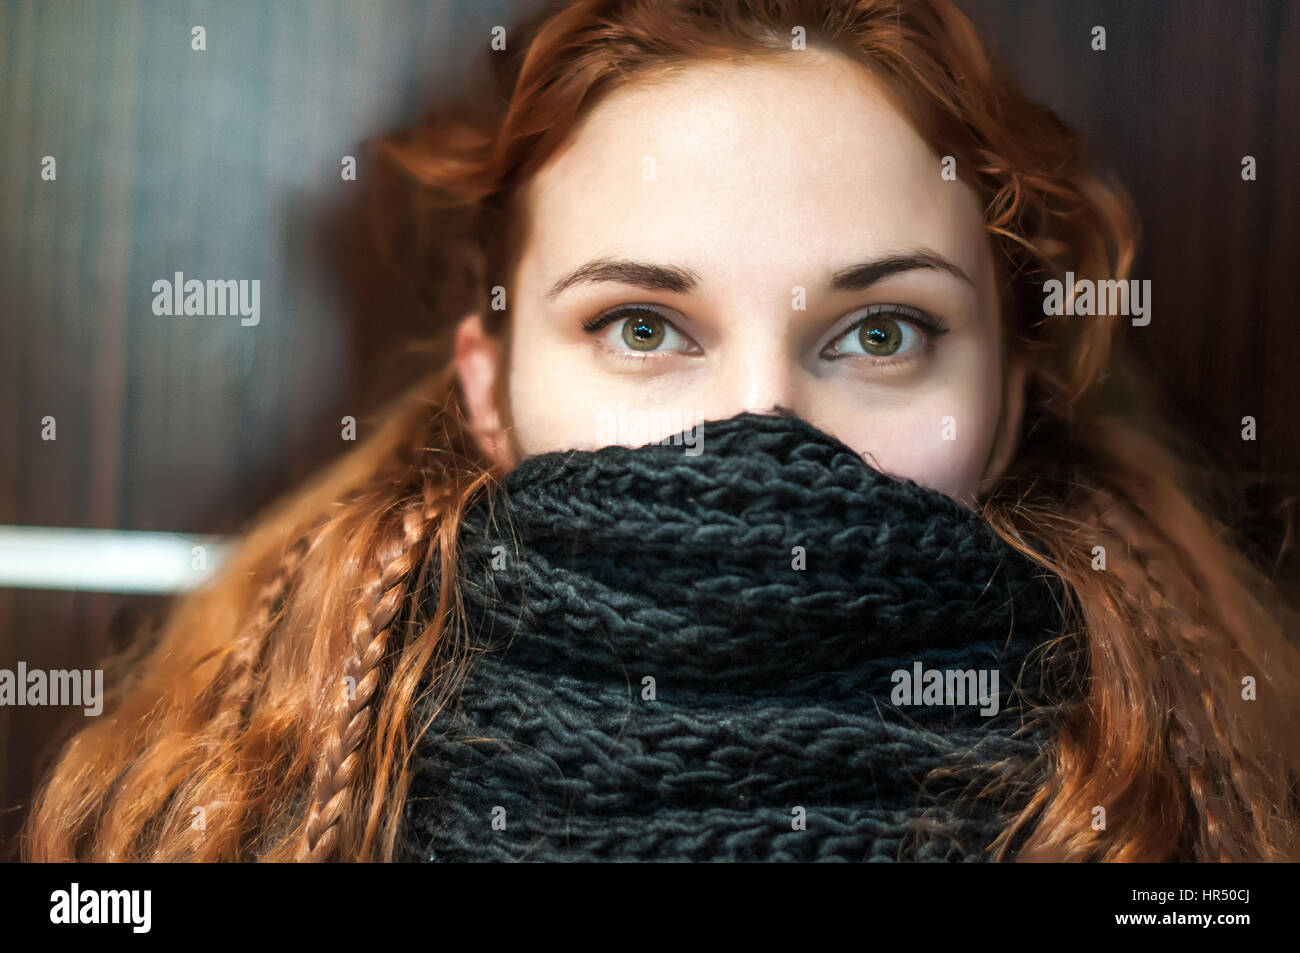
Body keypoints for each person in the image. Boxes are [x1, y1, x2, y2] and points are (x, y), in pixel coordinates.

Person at [23, 0, 1300, 862]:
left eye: (879, 332)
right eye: (642, 326)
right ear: (488, 391)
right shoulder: (217, 827)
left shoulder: (1198, 825)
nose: (758, 424)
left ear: (1012, 400)